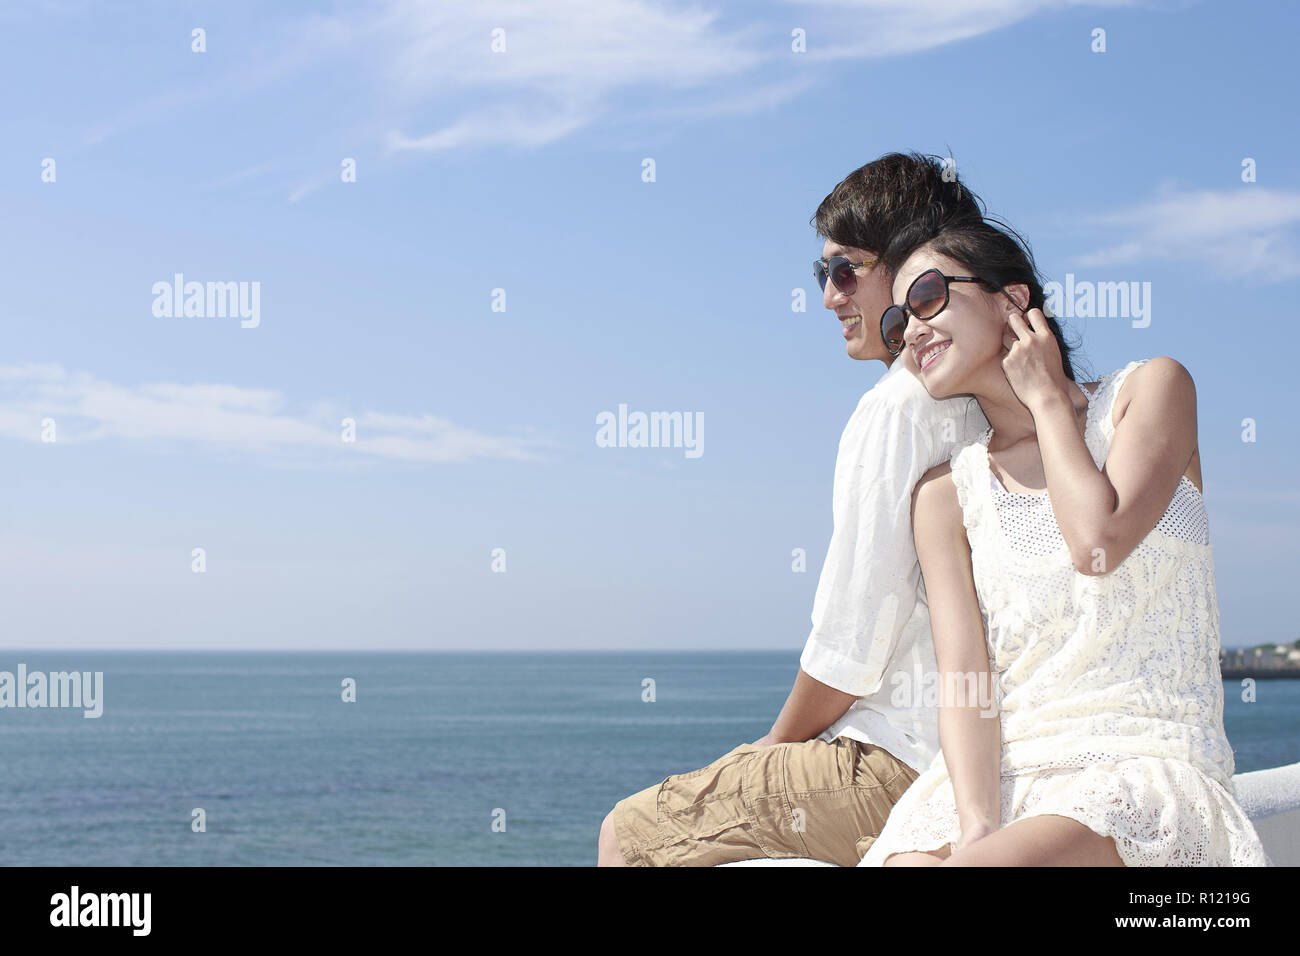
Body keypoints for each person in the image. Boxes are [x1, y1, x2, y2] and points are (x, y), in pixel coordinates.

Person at [597, 153, 990, 866]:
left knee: (628, 834)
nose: (829, 296)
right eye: (822, 275)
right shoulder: (994, 399)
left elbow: (851, 642)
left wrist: (770, 749)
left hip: (897, 766)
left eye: (845, 270)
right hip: (983, 766)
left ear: (907, 267)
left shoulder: (897, 408)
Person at [857, 209, 1270, 866]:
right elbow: (967, 681)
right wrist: (974, 826)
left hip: (1138, 770)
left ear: (1014, 298)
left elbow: (1096, 542)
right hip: (1002, 785)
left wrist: (1047, 400)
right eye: (896, 322)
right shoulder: (943, 497)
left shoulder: (1150, 393)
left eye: (928, 296)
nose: (911, 330)